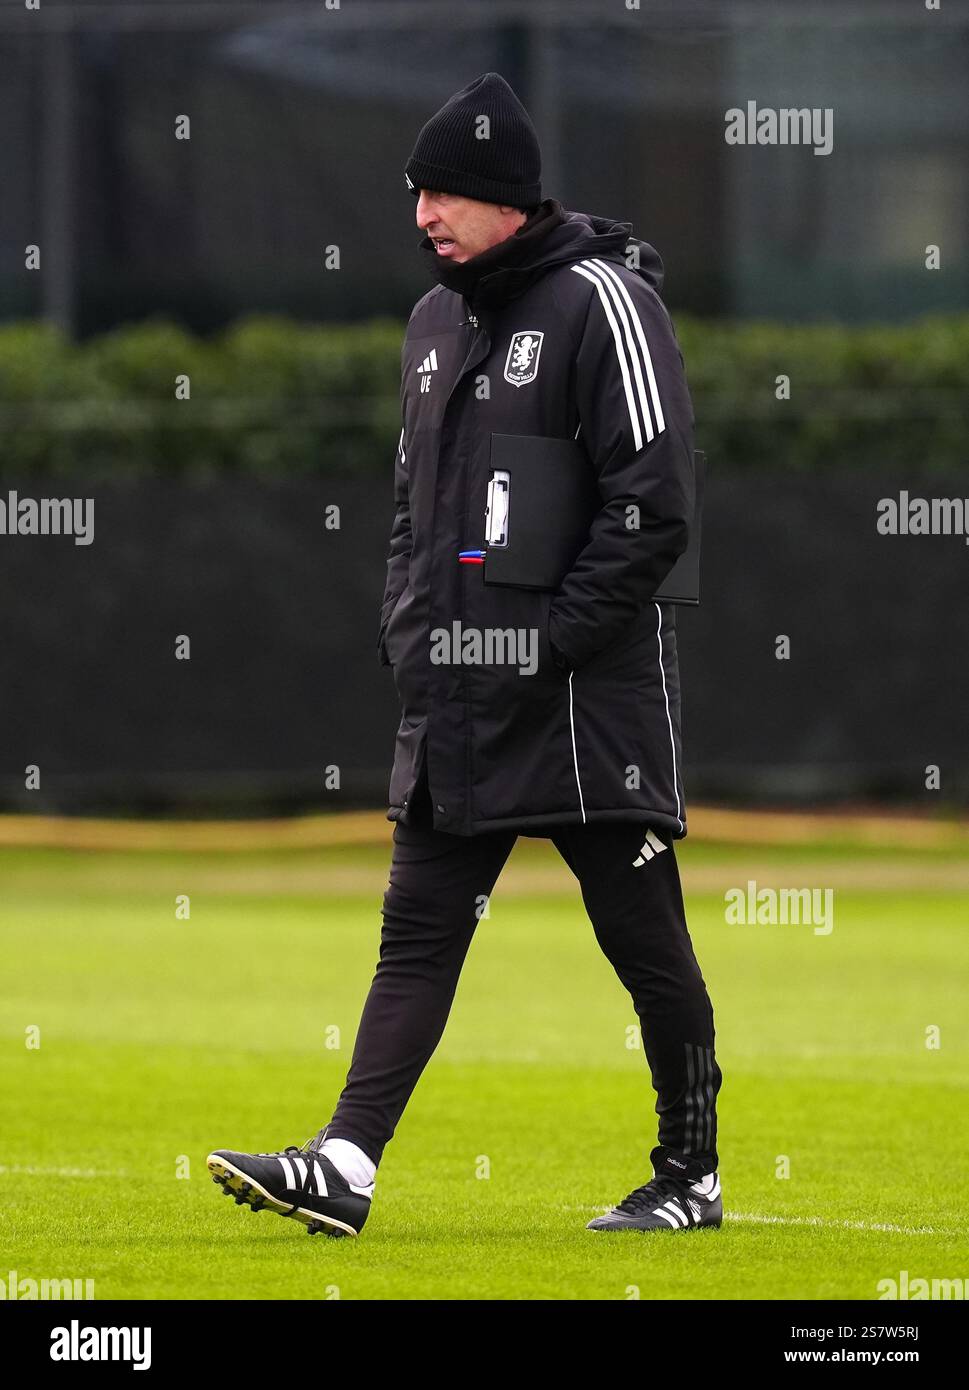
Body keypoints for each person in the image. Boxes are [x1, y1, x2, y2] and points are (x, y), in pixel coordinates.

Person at [208, 72, 723, 1239]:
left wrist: (540, 646)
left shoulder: (607, 301)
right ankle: (345, 1161)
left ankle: (690, 1171)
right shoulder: (433, 322)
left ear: (507, 198)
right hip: (460, 700)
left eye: (444, 192)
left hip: (588, 700)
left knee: (644, 942)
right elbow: (412, 509)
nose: (423, 215)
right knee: (417, 931)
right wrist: (415, 632)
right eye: (416, 193)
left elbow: (654, 511)